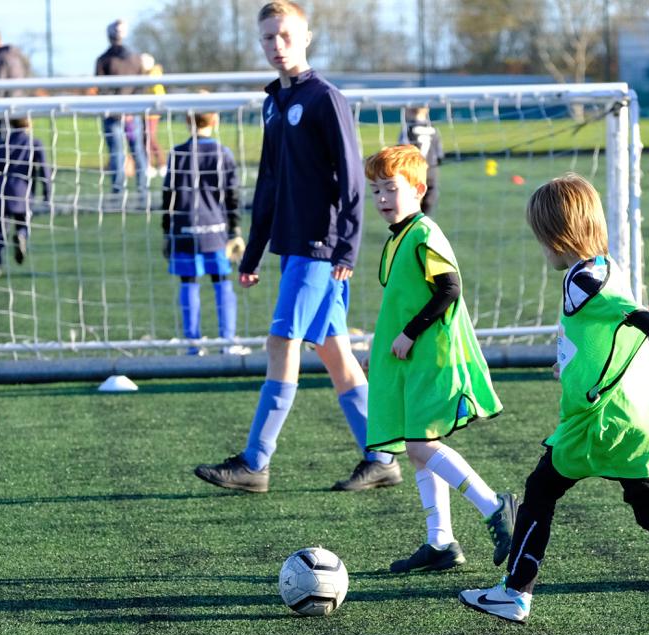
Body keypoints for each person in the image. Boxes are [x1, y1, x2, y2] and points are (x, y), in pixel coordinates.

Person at [460, 173, 649, 635]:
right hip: (641, 418)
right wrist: (568, 364)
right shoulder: (606, 266)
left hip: (599, 421)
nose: (542, 249)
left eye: (542, 238)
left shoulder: (585, 279)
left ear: (556, 237)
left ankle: (515, 592)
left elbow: (637, 315)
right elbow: (602, 333)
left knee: (540, 491)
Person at [193, 1, 401, 493]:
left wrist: (347, 249)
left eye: (286, 35)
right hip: (293, 250)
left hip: (321, 249)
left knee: (281, 342)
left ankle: (254, 463)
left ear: (306, 37)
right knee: (336, 355)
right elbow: (269, 183)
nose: (277, 46)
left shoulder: (327, 98)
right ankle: (382, 457)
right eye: (268, 38)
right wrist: (252, 252)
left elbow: (353, 179)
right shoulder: (272, 102)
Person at [363, 144, 514, 572]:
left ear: (418, 188)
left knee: (421, 444)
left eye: (391, 189)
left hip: (435, 356)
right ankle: (441, 543)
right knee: (417, 448)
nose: (383, 200)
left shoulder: (425, 233)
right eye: (376, 191)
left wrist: (410, 334)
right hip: (412, 360)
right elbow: (401, 300)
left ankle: (495, 508)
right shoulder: (400, 238)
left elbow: (449, 288)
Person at [161, 110, 248, 356]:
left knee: (188, 281)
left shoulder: (177, 153)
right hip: (216, 231)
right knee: (221, 280)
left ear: (186, 120)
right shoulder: (223, 153)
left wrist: (168, 233)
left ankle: (193, 344)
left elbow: (168, 196)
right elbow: (232, 196)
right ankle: (227, 341)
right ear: (216, 119)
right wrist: (235, 232)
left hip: (184, 229)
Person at [94, 20, 148, 200]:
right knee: (137, 151)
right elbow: (140, 87)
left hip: (114, 115)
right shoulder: (135, 58)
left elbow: (102, 90)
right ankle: (142, 190)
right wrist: (132, 109)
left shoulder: (103, 60)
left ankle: (118, 193)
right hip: (131, 114)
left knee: (117, 153)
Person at [0, 118, 49, 279]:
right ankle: (22, 236)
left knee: (0, 230)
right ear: (29, 123)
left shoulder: (4, 143)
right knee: (23, 223)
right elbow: (44, 170)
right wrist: (47, 194)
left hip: (3, 192)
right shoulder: (34, 143)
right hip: (23, 193)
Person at [398, 106, 444, 216]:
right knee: (429, 198)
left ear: (408, 112)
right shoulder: (433, 128)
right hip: (431, 171)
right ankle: (425, 218)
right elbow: (440, 153)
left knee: (411, 201)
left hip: (414, 172)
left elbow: (401, 150)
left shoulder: (407, 129)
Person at [141, 53, 168, 179]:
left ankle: (162, 164)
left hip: (152, 112)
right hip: (145, 111)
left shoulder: (153, 74)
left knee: (150, 137)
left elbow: (158, 93)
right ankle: (149, 165)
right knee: (145, 138)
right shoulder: (147, 75)